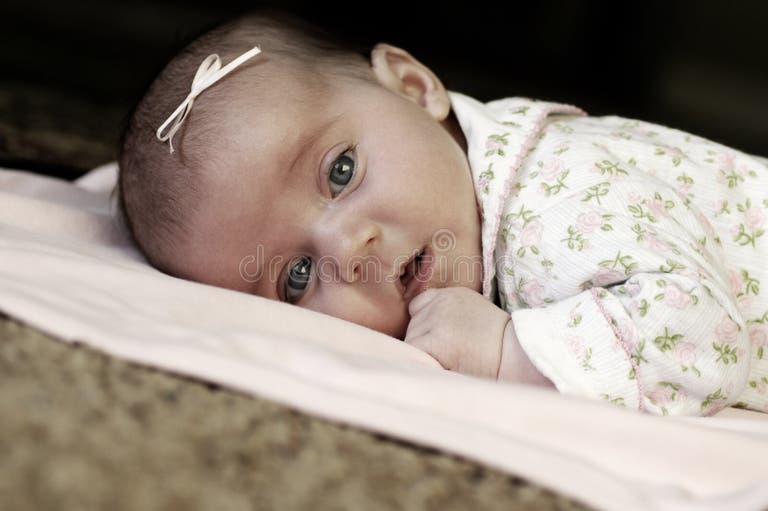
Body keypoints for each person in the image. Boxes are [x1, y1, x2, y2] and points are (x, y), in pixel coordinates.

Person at [117, 10, 768, 416]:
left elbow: (703, 333)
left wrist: (510, 350)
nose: (348, 249)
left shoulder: (556, 206)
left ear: (413, 86)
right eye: (294, 277)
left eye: (341, 170)